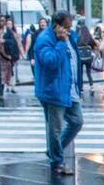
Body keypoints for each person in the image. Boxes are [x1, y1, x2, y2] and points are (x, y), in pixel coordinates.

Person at [32, 11, 84, 176]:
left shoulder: (69, 36)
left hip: (69, 89)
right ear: (57, 25)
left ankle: (54, 151)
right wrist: (61, 43)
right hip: (53, 91)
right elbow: (50, 62)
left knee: (77, 121)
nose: (69, 30)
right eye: (67, 27)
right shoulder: (44, 40)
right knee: (55, 129)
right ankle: (57, 162)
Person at [0, 17, 22, 99]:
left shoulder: (14, 34)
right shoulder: (3, 32)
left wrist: (22, 54)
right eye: (7, 24)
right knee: (6, 70)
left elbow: (18, 44)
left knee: (11, 70)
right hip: (4, 54)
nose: (9, 25)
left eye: (10, 24)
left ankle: (11, 85)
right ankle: (8, 85)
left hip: (13, 54)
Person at [75, 20, 97, 92]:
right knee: (88, 72)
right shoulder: (89, 38)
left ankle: (81, 88)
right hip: (88, 58)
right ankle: (92, 86)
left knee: (80, 73)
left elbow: (75, 46)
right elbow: (94, 46)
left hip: (81, 58)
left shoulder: (78, 38)